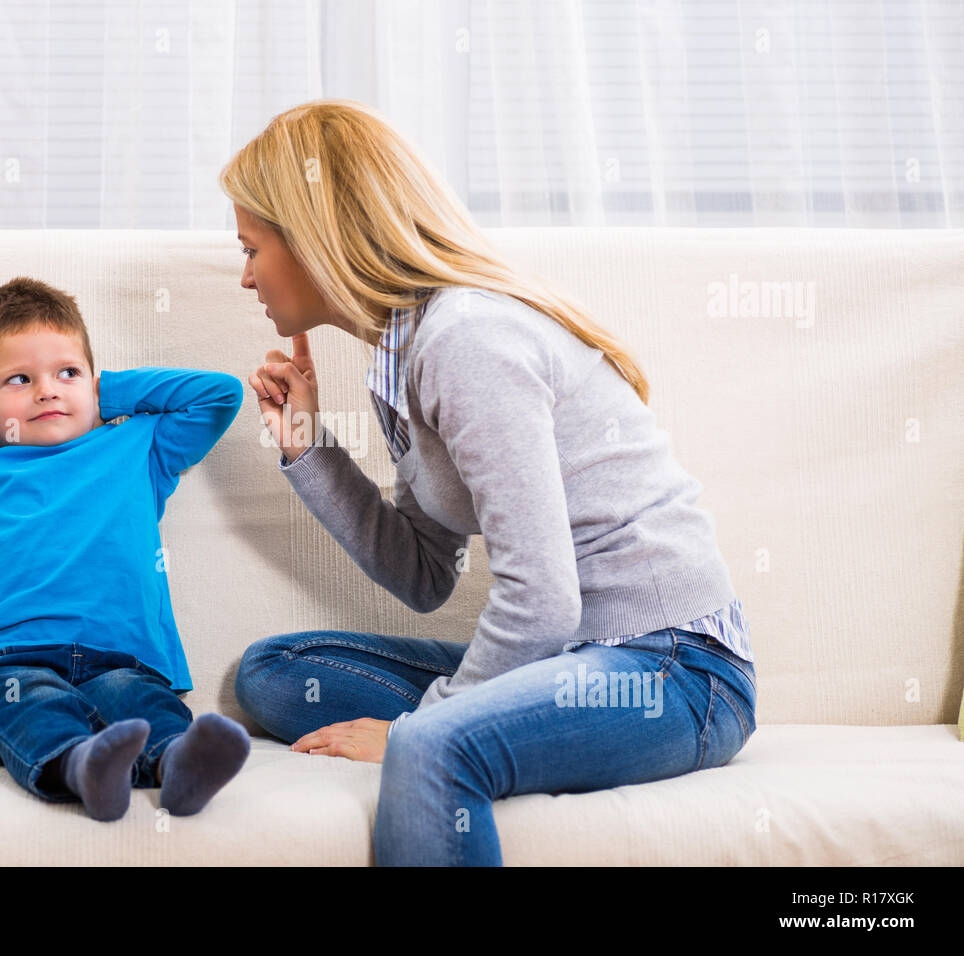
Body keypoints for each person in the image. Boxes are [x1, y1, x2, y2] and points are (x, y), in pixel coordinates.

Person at [222, 99, 757, 866]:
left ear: (314, 239)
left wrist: (415, 727)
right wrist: (306, 441)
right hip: (566, 656)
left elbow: (541, 598)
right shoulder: (399, 357)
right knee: (274, 675)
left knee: (431, 749)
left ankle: (449, 729)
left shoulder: (466, 338)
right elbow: (425, 575)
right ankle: (472, 719)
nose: (245, 277)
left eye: (251, 248)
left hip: (672, 669)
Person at [0, 276, 250, 822]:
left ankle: (180, 765)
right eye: (18, 379)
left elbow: (219, 394)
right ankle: (81, 766)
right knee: (32, 702)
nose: (47, 391)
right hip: (1, 663)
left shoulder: (136, 446)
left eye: (67, 373)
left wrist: (107, 393)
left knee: (141, 701)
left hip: (121, 658)